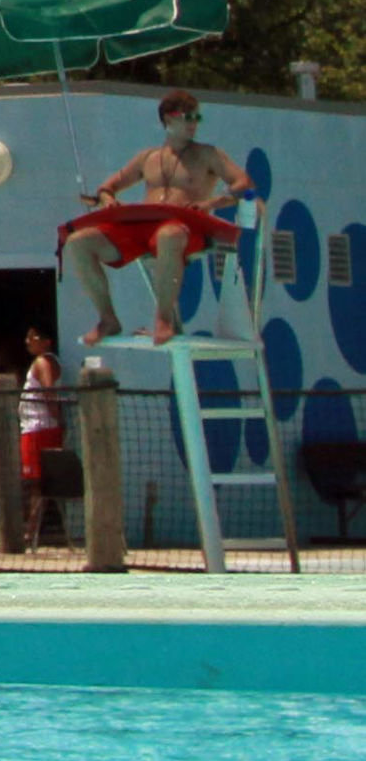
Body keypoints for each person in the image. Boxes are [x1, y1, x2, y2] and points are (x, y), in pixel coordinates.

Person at [67, 89, 255, 344]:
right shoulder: (148, 158)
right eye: (187, 117)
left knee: (169, 234)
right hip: (145, 227)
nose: (193, 124)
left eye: (197, 118)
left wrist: (214, 201)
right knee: (78, 241)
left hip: (186, 227)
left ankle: (164, 319)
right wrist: (107, 199)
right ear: (168, 119)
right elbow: (107, 187)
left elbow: (243, 182)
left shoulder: (208, 154)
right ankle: (108, 319)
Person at [16, 330, 66, 542]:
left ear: (46, 341)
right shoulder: (48, 361)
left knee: (36, 482)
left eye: (32, 337)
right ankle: (32, 529)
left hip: (39, 429)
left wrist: (55, 416)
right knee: (38, 483)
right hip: (38, 428)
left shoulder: (43, 361)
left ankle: (30, 531)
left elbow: (48, 390)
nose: (27, 341)